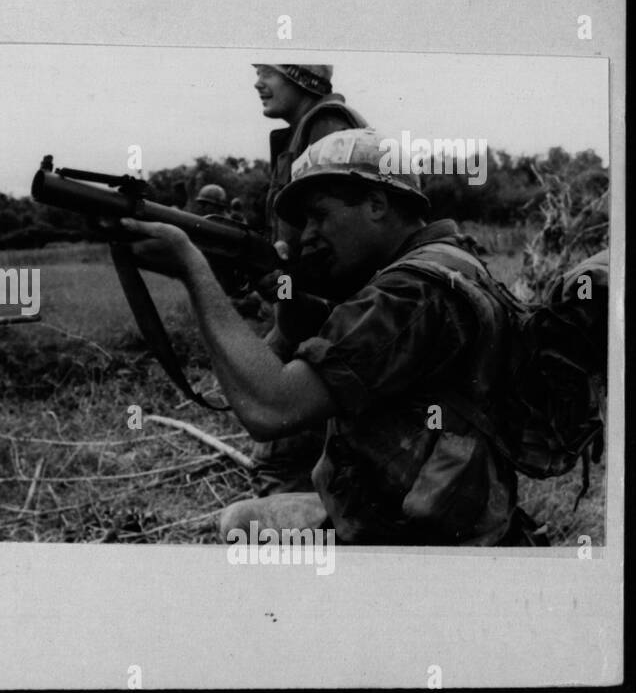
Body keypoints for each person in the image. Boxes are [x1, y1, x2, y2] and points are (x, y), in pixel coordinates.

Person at [124, 128, 528, 546]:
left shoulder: (408, 293)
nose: (308, 235)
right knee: (250, 518)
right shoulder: (448, 262)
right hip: (439, 506)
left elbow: (271, 409)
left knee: (242, 527)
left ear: (376, 204)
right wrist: (289, 303)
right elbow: (364, 361)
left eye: (320, 215)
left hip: (419, 538)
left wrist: (192, 270)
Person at [247, 64, 368, 495]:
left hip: (323, 326)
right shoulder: (301, 134)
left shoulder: (327, 128)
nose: (258, 82)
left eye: (268, 72)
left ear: (301, 76)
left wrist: (283, 278)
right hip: (302, 318)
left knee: (283, 467)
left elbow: (336, 249)